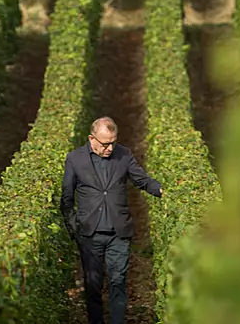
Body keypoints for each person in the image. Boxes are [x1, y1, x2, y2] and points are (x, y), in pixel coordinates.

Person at [60, 116, 164, 324]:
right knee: (93, 285)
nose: (109, 148)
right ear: (92, 139)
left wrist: (163, 191)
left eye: (113, 142)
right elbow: (67, 197)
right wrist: (74, 229)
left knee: (118, 281)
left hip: (119, 232)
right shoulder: (75, 159)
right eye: (105, 143)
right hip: (89, 233)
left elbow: (141, 179)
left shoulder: (124, 155)